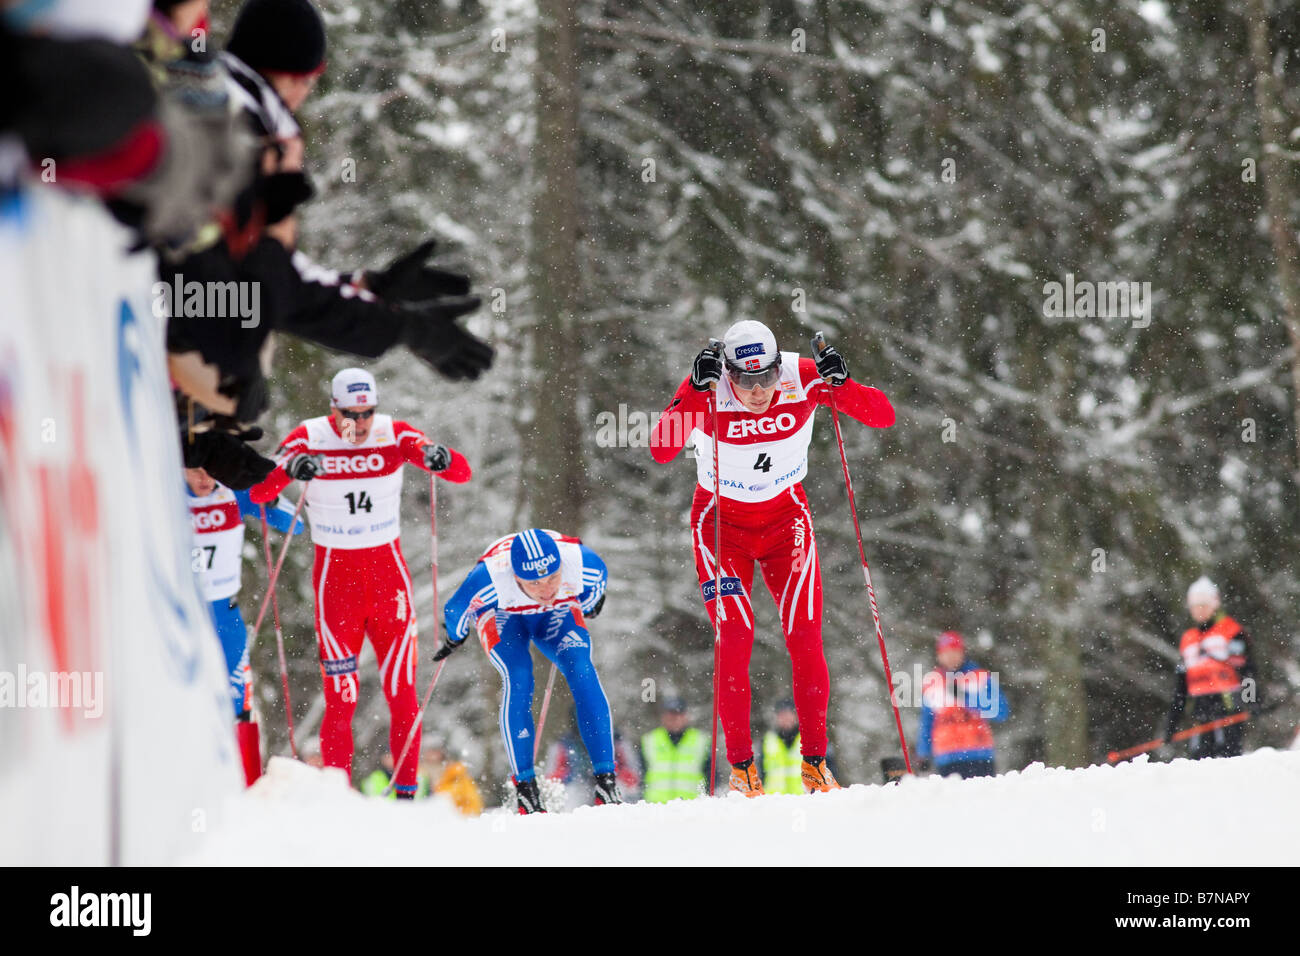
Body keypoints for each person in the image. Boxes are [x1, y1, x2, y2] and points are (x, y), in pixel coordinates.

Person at [650, 320, 894, 795]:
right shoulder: (708, 387)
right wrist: (692, 391)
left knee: (805, 638)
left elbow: (881, 415)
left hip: (787, 522)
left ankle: (815, 764)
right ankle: (742, 770)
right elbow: (661, 449)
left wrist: (843, 383)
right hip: (721, 529)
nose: (759, 391)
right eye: (745, 380)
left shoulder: (801, 376)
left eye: (767, 378)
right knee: (736, 639)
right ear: (728, 372)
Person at [248, 367, 471, 798]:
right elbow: (259, 490)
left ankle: (406, 793)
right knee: (341, 700)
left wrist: (438, 457)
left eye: (368, 413)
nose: (361, 425)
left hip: (389, 581)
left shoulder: (393, 432)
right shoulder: (309, 436)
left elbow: (459, 471)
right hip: (337, 587)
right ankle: (338, 798)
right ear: (333, 409)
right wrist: (292, 467)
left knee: (402, 692)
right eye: (351, 415)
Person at [437, 528, 617, 814]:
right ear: (516, 575)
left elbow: (596, 590)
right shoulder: (490, 577)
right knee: (518, 676)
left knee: (582, 671)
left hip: (554, 613)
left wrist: (591, 606)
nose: (546, 588)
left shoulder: (584, 563)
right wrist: (455, 637)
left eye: (553, 577)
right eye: (535, 582)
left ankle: (607, 782)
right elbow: (454, 610)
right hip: (503, 614)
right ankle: (526, 789)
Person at [185, 463, 301, 783]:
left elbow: (296, 524)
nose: (205, 478)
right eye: (195, 470)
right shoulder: (164, 495)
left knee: (238, 704)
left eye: (211, 470)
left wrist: (273, 500)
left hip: (224, 615)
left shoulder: (233, 490)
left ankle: (244, 785)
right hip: (182, 617)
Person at [1165, 576, 1259, 760]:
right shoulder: (1188, 639)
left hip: (1228, 708)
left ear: (1214, 605)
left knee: (1227, 759)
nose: (1199, 611)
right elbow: (1181, 686)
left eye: (1203, 605)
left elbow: (1248, 670)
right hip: (1200, 711)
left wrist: (1253, 700)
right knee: (1198, 759)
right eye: (1195, 606)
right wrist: (1172, 723)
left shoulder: (1231, 631)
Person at [915, 631, 1008, 779]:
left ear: (963, 653)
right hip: (946, 758)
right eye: (946, 652)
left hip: (978, 755)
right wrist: (923, 754)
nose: (950, 657)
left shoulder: (981, 678)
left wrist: (967, 698)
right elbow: (927, 722)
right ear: (938, 655)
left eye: (954, 651)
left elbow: (1001, 712)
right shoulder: (932, 683)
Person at [639, 697, 710, 803]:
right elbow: (640, 774)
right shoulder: (649, 740)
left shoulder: (701, 740)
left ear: (686, 716)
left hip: (691, 806)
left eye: (678, 713)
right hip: (656, 807)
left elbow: (711, 774)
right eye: (670, 714)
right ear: (663, 717)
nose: (674, 718)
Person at [759, 699, 805, 794]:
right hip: (775, 800)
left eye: (788, 714)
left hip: (802, 799)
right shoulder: (768, 740)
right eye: (782, 715)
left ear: (795, 716)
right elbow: (761, 772)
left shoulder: (806, 740)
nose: (785, 718)